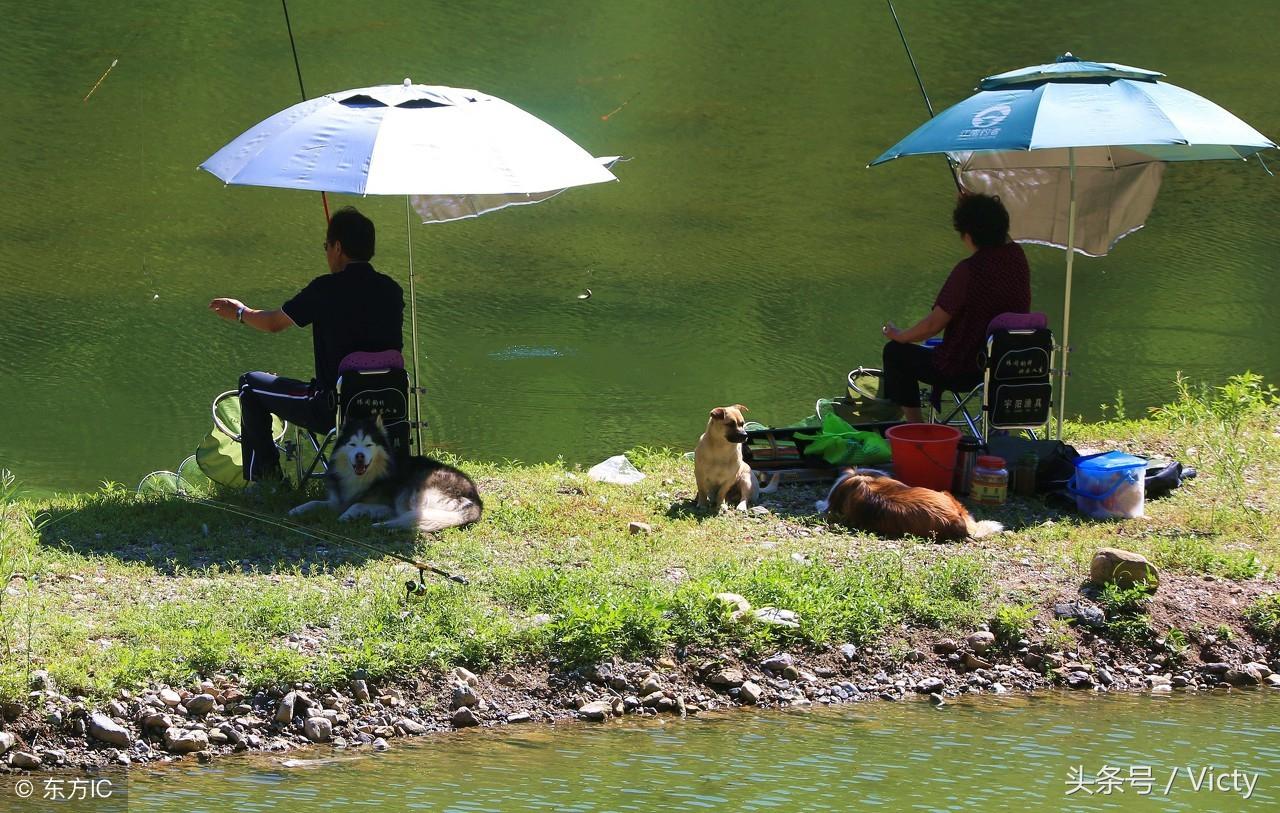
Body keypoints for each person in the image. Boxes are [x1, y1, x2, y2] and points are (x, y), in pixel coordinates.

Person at [208, 207, 405, 483]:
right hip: (388, 409)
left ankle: (265, 482)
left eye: (327, 246)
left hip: (331, 407)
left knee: (250, 386)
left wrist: (240, 313)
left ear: (338, 247)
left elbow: (274, 323)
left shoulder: (325, 289)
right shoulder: (392, 290)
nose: (326, 253)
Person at [880, 193, 1030, 422]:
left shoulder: (969, 270)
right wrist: (978, 206)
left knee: (895, 353)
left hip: (963, 369)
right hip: (1006, 366)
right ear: (1002, 226)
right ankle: (1001, 429)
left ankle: (915, 429)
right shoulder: (1018, 258)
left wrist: (900, 336)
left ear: (968, 235)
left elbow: (933, 325)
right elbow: (1000, 233)